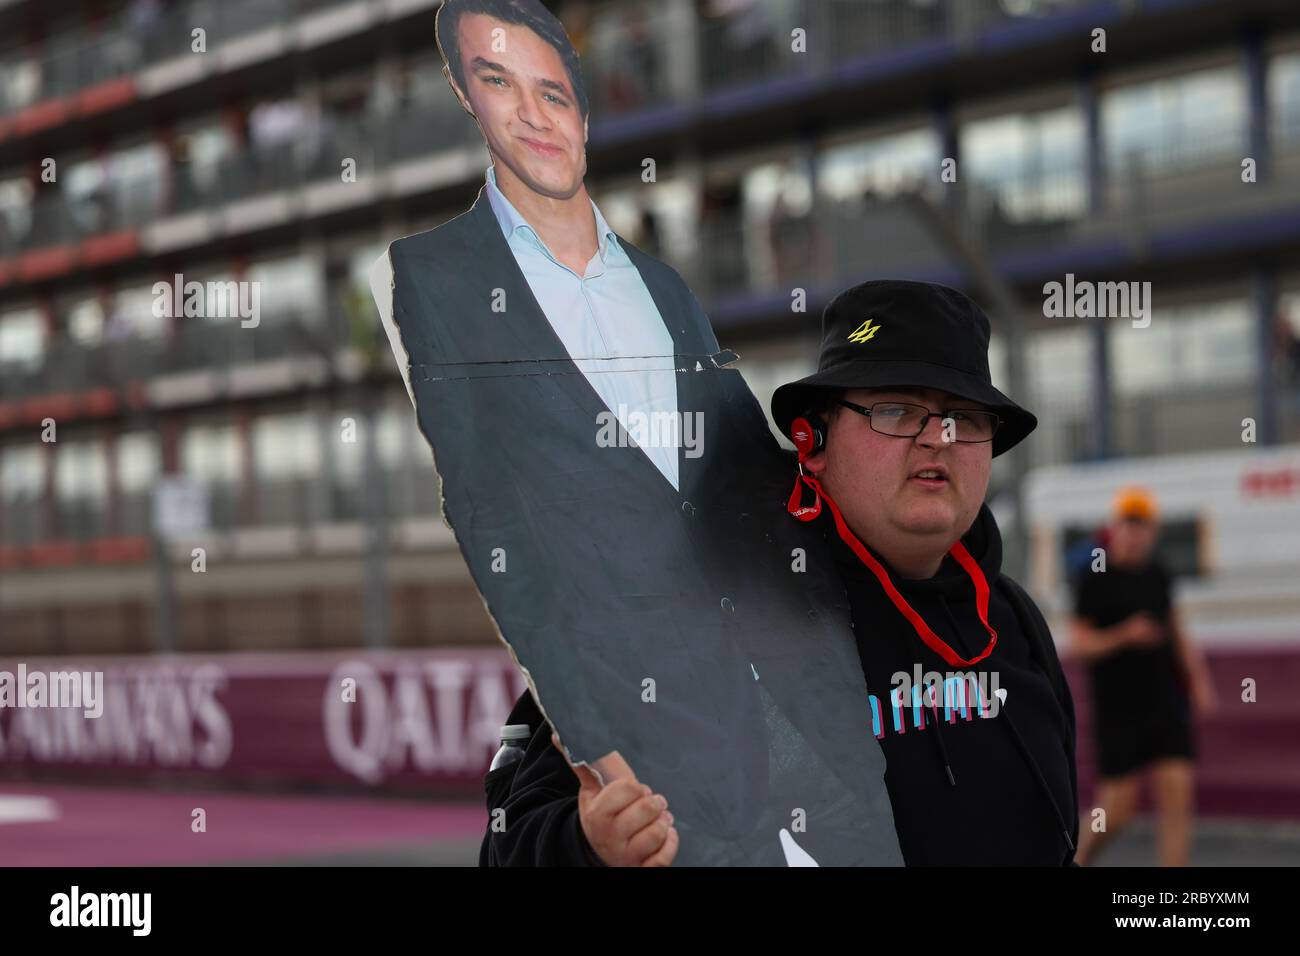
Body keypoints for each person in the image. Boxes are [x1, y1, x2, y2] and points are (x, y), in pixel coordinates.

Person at [377, 0, 902, 867]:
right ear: (465, 95)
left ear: (583, 112)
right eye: (497, 82)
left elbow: (755, 480)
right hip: (653, 753)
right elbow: (491, 525)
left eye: (553, 91)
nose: (531, 114)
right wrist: (592, 748)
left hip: (808, 708)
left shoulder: (664, 286)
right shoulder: (435, 277)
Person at [487, 279, 1080, 866]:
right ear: (812, 441)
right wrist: (590, 846)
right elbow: (509, 842)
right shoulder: (699, 612)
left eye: (965, 417)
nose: (937, 438)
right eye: (897, 410)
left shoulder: (1014, 622)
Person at [1070, 487, 1215, 866]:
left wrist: (1198, 680)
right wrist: (1125, 635)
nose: (1135, 534)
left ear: (1152, 531)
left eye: (1142, 526)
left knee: (1178, 799)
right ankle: (1075, 859)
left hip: (1164, 702)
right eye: (1127, 525)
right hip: (1119, 710)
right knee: (1116, 811)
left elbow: (1176, 629)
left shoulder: (1158, 572)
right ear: (1114, 528)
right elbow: (1081, 645)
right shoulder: (1095, 576)